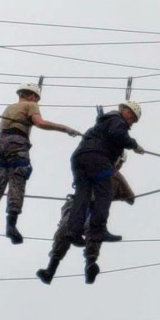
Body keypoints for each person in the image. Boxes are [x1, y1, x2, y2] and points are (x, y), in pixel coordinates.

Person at [38, 100, 144, 285]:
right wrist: (133, 144)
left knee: (67, 229)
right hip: (93, 205)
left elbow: (127, 195)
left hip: (79, 168)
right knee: (95, 230)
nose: (132, 122)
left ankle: (54, 267)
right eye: (132, 118)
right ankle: (89, 262)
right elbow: (130, 197)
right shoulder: (112, 169)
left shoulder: (100, 126)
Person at [0, 81, 79, 243]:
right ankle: (11, 225)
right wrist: (66, 129)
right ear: (32, 96)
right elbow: (40, 123)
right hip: (17, 144)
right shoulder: (31, 105)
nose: (37, 102)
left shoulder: (10, 107)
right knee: (17, 182)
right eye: (36, 99)